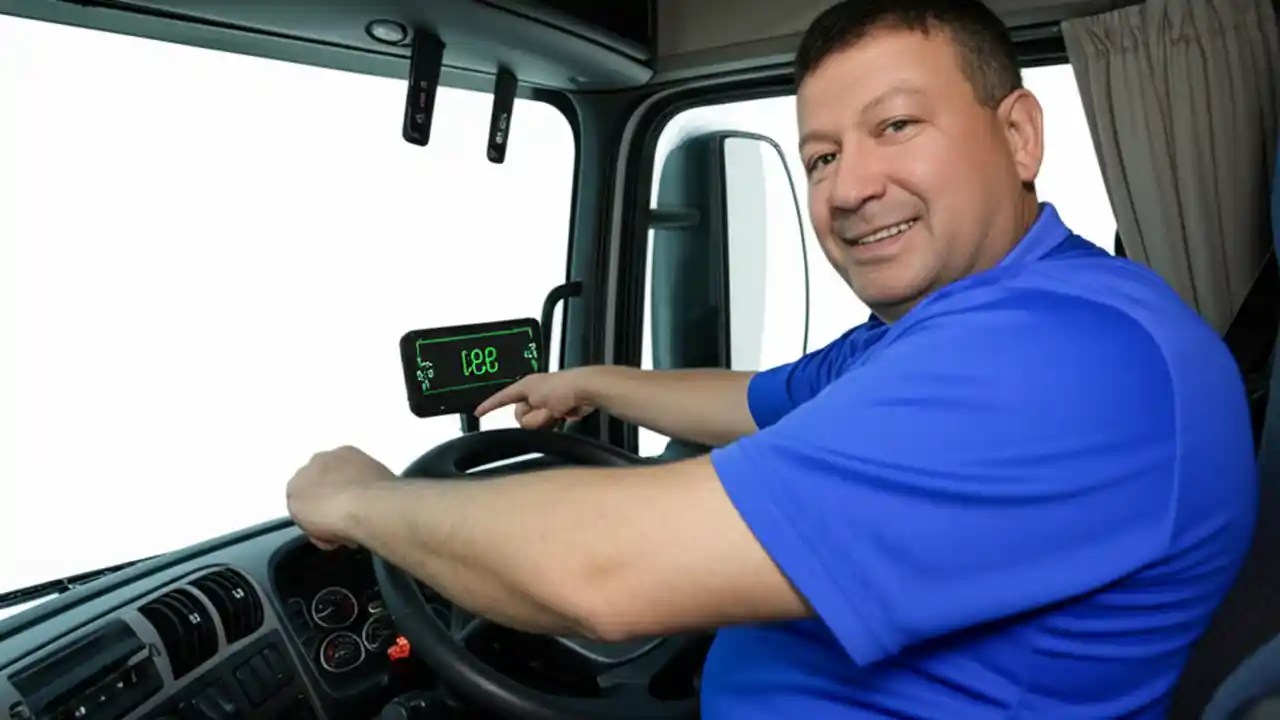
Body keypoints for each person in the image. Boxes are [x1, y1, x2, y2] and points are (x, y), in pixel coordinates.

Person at [286, 0, 1259, 716]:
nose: (846, 187)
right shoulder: (966, 323)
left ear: (1015, 135)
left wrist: (362, 500)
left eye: (895, 127)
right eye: (822, 156)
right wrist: (588, 382)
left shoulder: (1060, 363)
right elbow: (757, 398)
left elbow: (601, 575)